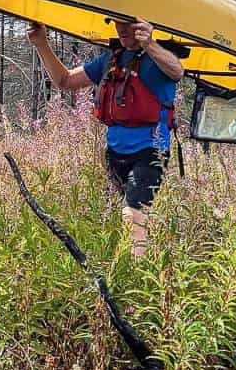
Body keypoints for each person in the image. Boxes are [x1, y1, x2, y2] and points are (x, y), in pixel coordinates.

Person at [28, 18, 184, 257]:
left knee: (134, 212)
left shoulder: (158, 59)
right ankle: (131, 263)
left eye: (129, 24)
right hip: (115, 152)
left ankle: (137, 276)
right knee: (116, 214)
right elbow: (65, 80)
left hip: (151, 150)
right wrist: (42, 44)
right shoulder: (110, 61)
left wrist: (149, 44)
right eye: (117, 23)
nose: (121, 28)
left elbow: (176, 71)